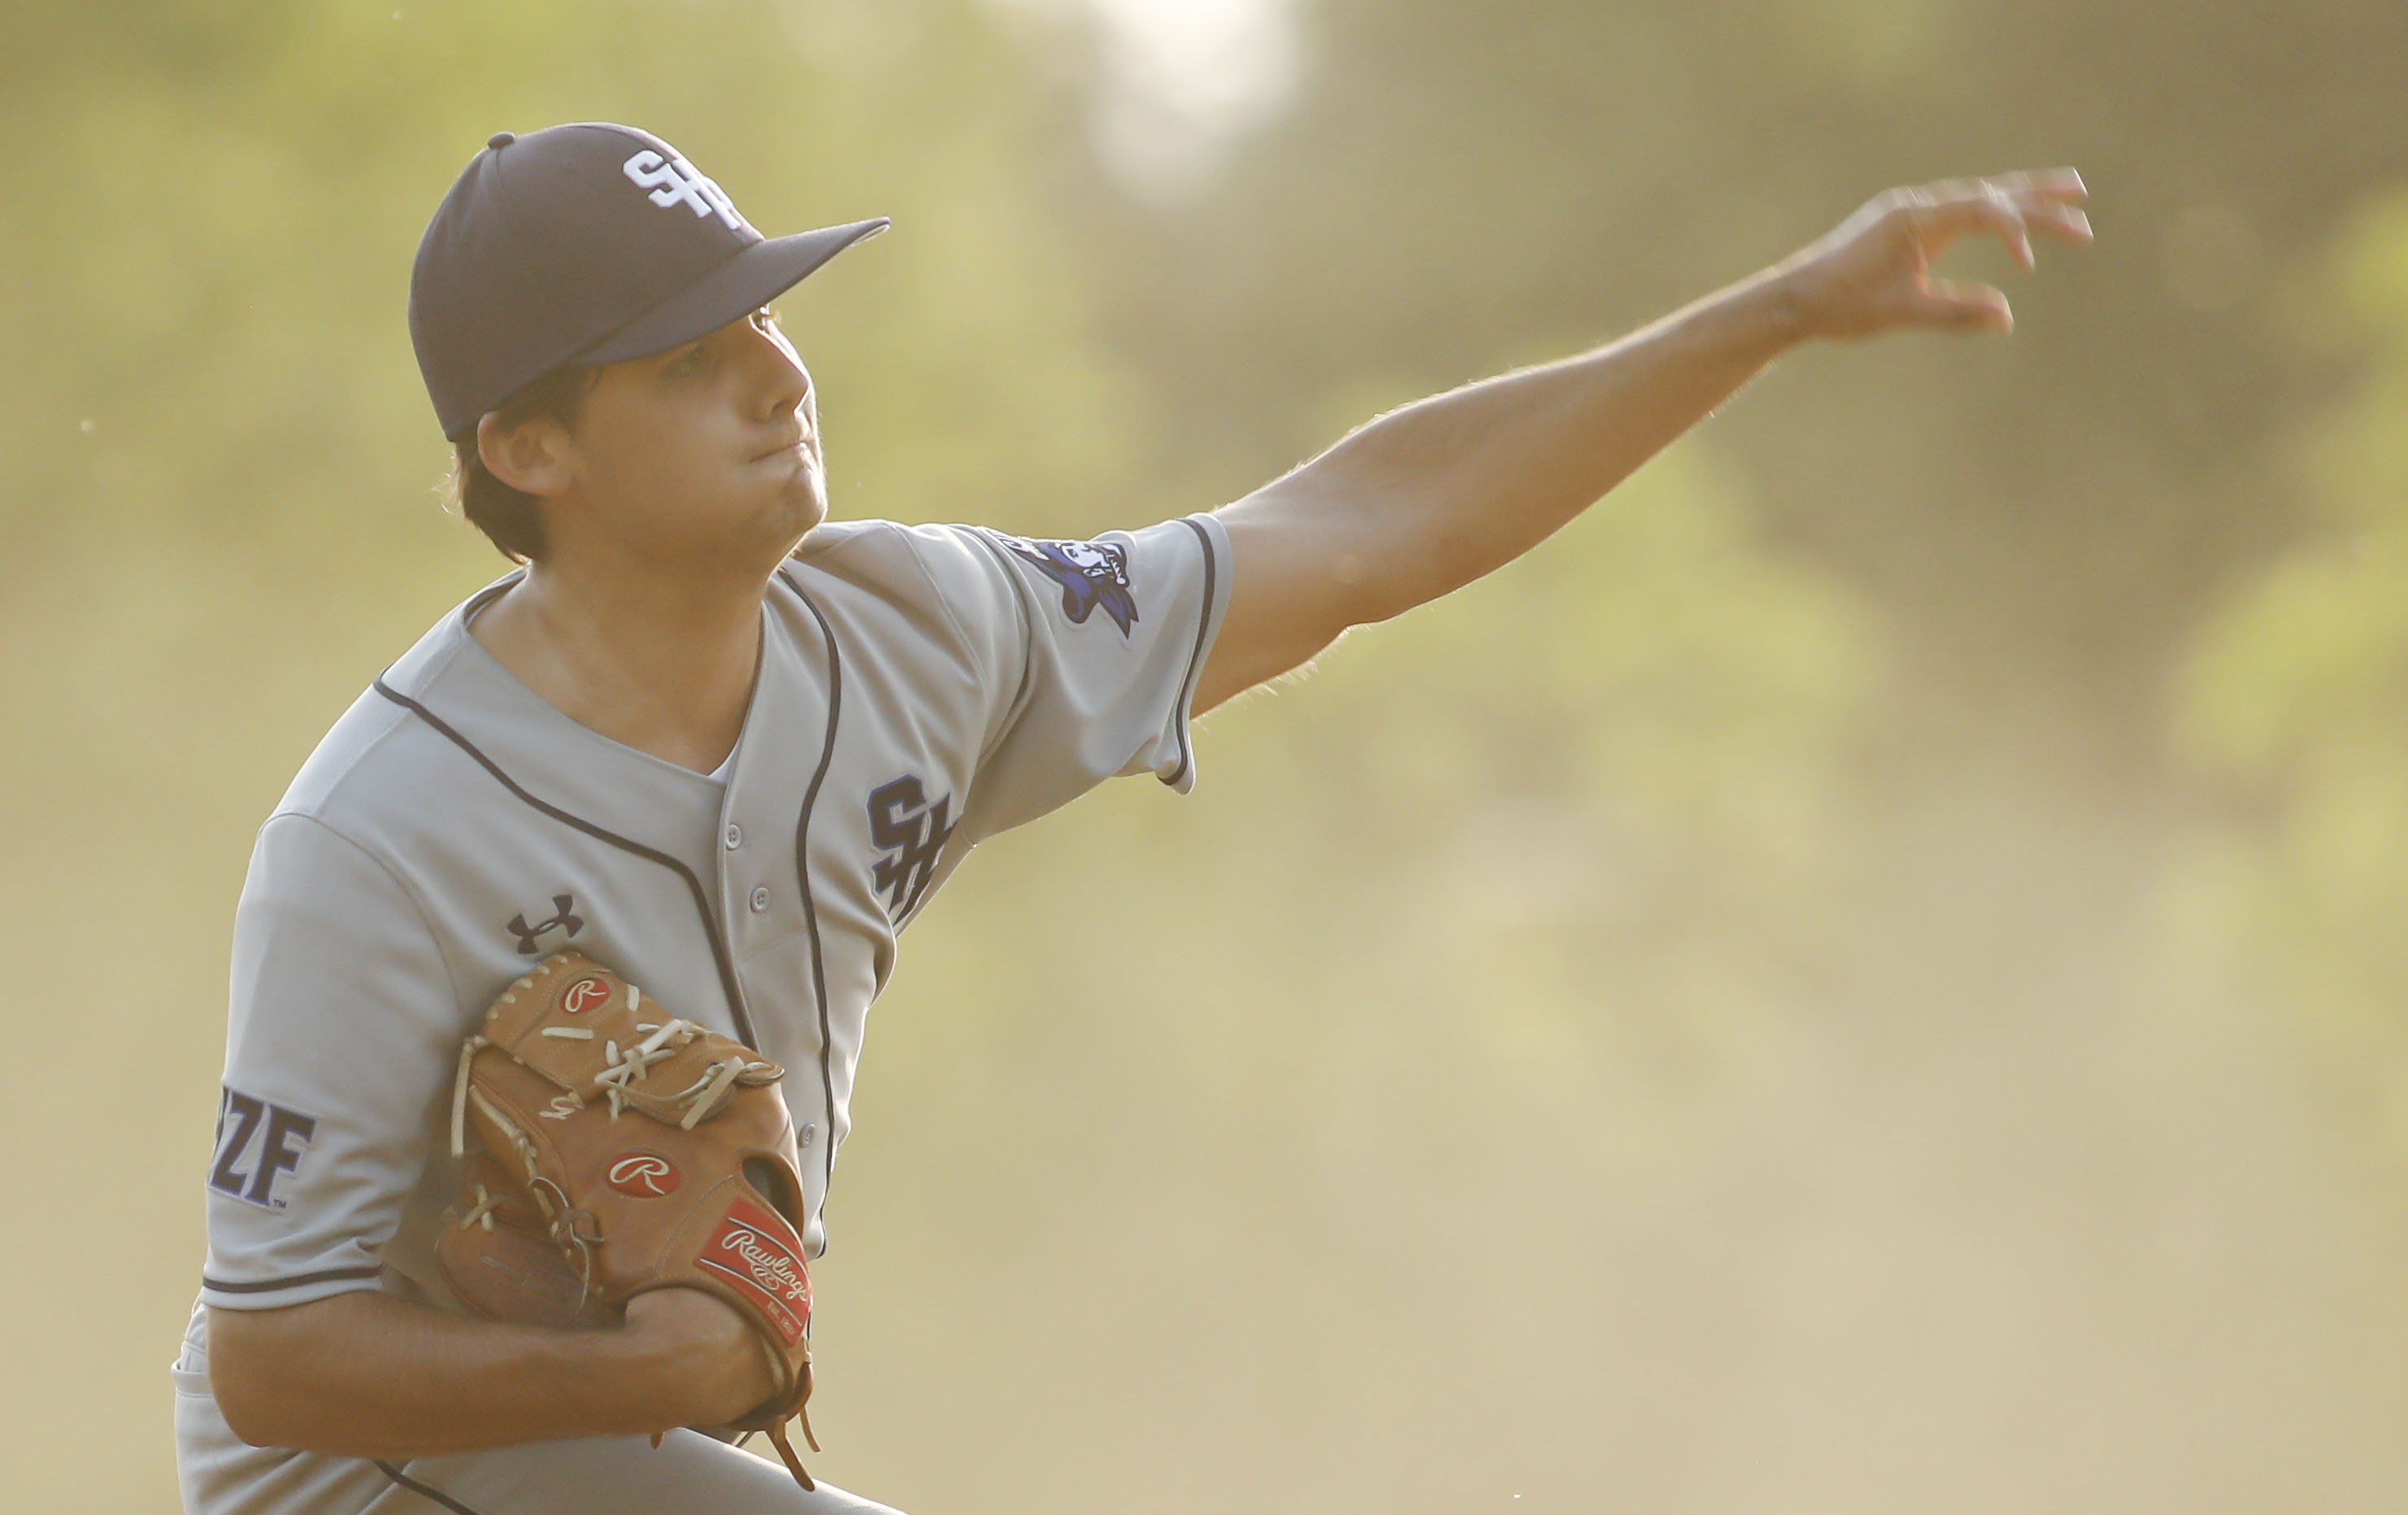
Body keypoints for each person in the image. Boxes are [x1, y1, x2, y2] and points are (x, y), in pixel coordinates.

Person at [176, 121, 2088, 1514]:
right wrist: (652, 1366)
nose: (772, 371)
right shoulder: (379, 836)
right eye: (690, 358)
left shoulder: (921, 637)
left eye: (766, 317)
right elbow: (271, 1362)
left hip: (632, 1458)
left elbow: (1358, 533)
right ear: (527, 451)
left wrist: (1773, 310)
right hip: (363, 1491)